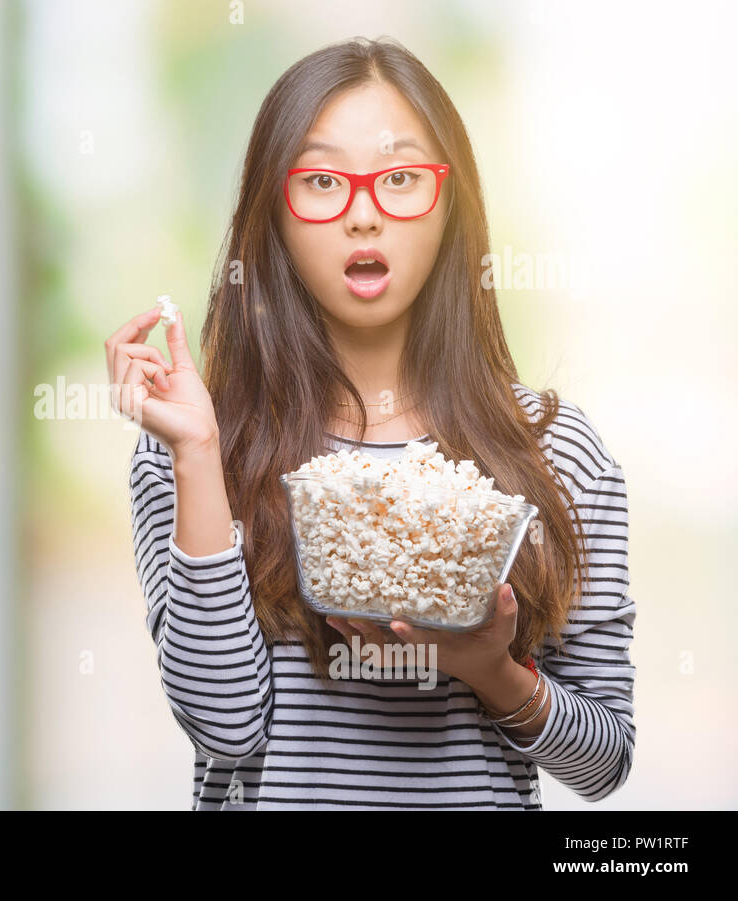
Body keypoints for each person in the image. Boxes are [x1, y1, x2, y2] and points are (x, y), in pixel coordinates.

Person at [106, 37, 634, 809]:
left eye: (401, 179)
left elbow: (604, 762)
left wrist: (490, 668)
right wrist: (194, 450)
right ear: (272, 212)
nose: (363, 214)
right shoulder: (195, 449)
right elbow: (223, 727)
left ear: (452, 204)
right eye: (321, 180)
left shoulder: (555, 451)